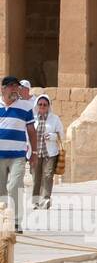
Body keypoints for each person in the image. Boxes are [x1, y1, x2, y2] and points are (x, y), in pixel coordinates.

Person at [0, 77, 35, 233]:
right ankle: (3, 219)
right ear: (3, 89)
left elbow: (32, 131)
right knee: (1, 190)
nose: (15, 89)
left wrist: (34, 152)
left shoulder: (26, 107)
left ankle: (16, 222)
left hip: (18, 156)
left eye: (17, 87)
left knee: (15, 186)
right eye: (11, 86)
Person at [30, 94, 63, 211]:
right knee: (36, 177)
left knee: (48, 176)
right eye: (40, 104)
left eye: (45, 104)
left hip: (50, 153)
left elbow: (61, 135)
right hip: (35, 152)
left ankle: (46, 199)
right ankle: (35, 201)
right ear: (37, 105)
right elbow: (27, 133)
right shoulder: (32, 118)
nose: (42, 106)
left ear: (48, 106)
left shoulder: (55, 119)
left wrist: (53, 136)